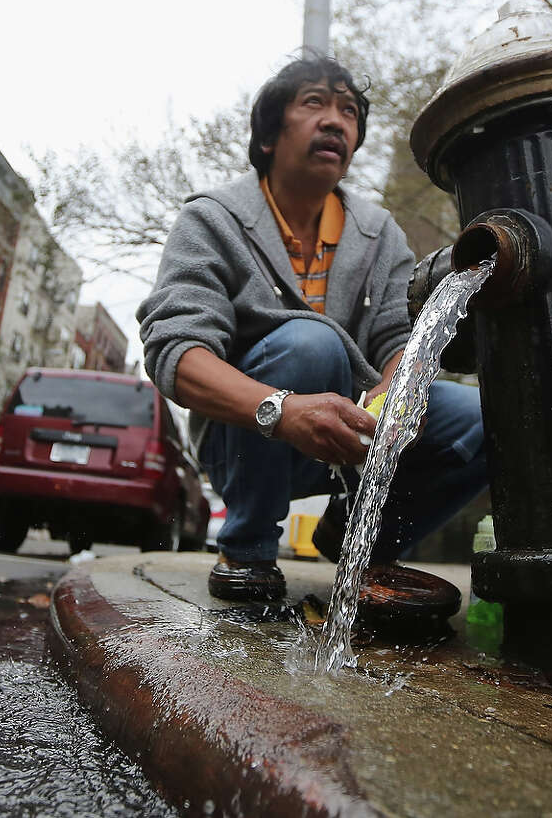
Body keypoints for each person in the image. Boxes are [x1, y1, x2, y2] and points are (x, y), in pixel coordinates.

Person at [137, 52, 487, 602]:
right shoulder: (211, 218)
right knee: (310, 341)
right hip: (247, 434)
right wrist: (282, 409)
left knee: (482, 417)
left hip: (352, 433)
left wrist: (396, 390)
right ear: (271, 137)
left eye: (349, 111)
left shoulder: (379, 232)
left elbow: (403, 339)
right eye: (315, 103)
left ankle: (360, 544)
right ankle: (247, 552)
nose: (335, 120)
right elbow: (174, 352)